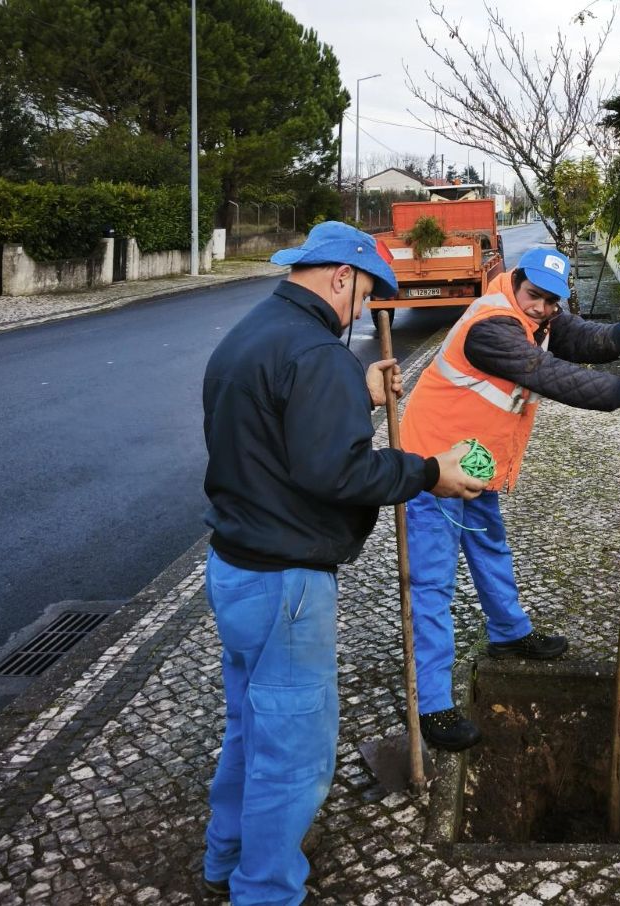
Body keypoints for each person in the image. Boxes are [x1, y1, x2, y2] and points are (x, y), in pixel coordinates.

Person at [200, 221, 486, 905]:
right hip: (285, 584)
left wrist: (354, 392)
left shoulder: (250, 334)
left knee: (249, 729)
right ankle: (265, 893)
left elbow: (281, 427)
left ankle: (224, 857)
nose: (360, 309)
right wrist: (430, 472)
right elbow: (340, 473)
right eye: (363, 296)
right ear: (340, 276)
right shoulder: (316, 353)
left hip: (233, 568)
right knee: (294, 753)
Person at [399, 246, 620, 751]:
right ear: (515, 281)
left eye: (552, 301)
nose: (542, 308)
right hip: (433, 460)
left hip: (474, 459)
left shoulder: (539, 316)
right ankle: (431, 705)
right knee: (431, 583)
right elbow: (554, 376)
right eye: (534, 296)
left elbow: (579, 337)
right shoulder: (491, 328)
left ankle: (509, 632)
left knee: (490, 547)